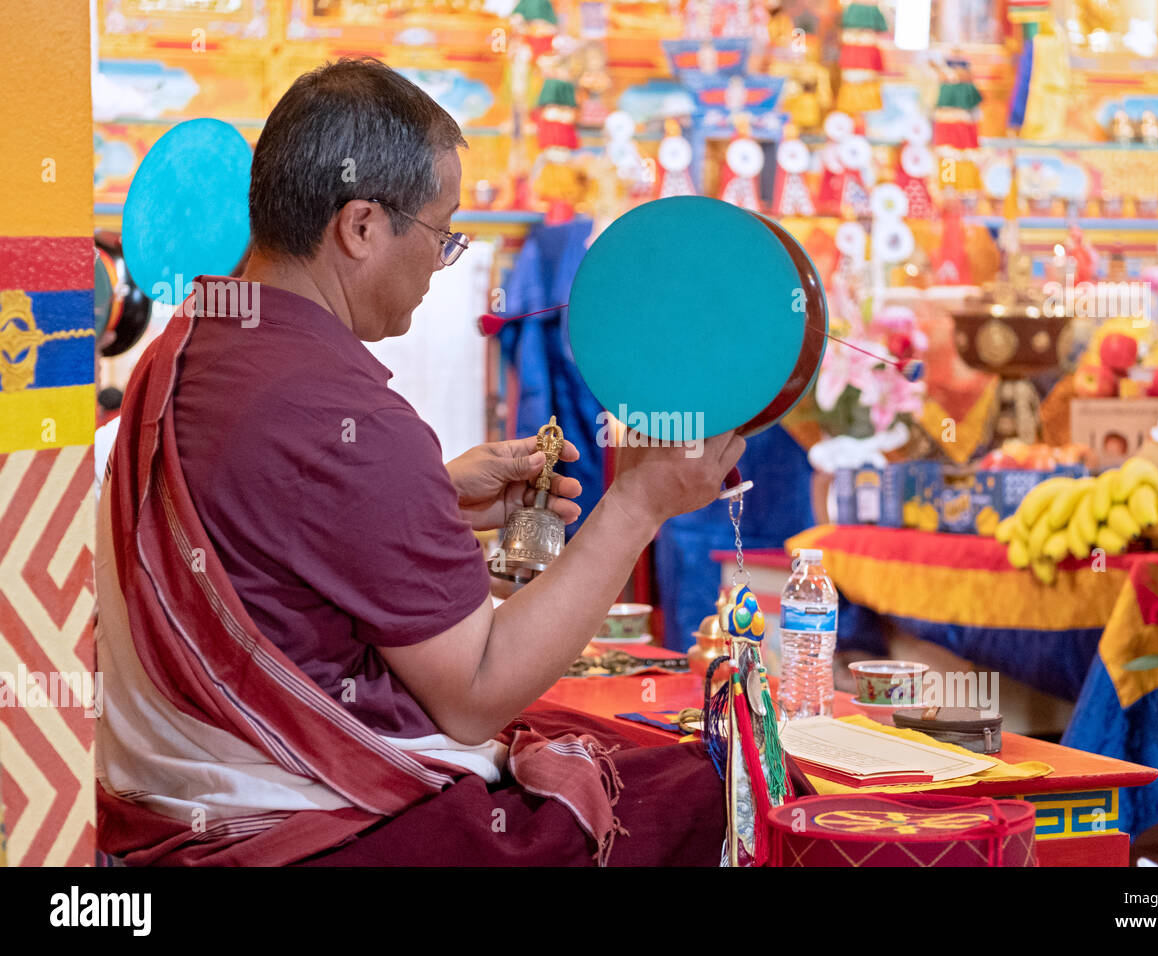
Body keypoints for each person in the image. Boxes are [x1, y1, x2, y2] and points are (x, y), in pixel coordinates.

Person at [95, 57, 747, 866]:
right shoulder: (351, 418)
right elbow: (478, 695)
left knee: (615, 738)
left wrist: (426, 496)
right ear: (361, 226)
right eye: (442, 235)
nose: (444, 267)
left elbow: (265, 533)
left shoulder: (189, 344)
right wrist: (639, 505)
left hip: (154, 809)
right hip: (299, 828)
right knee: (715, 788)